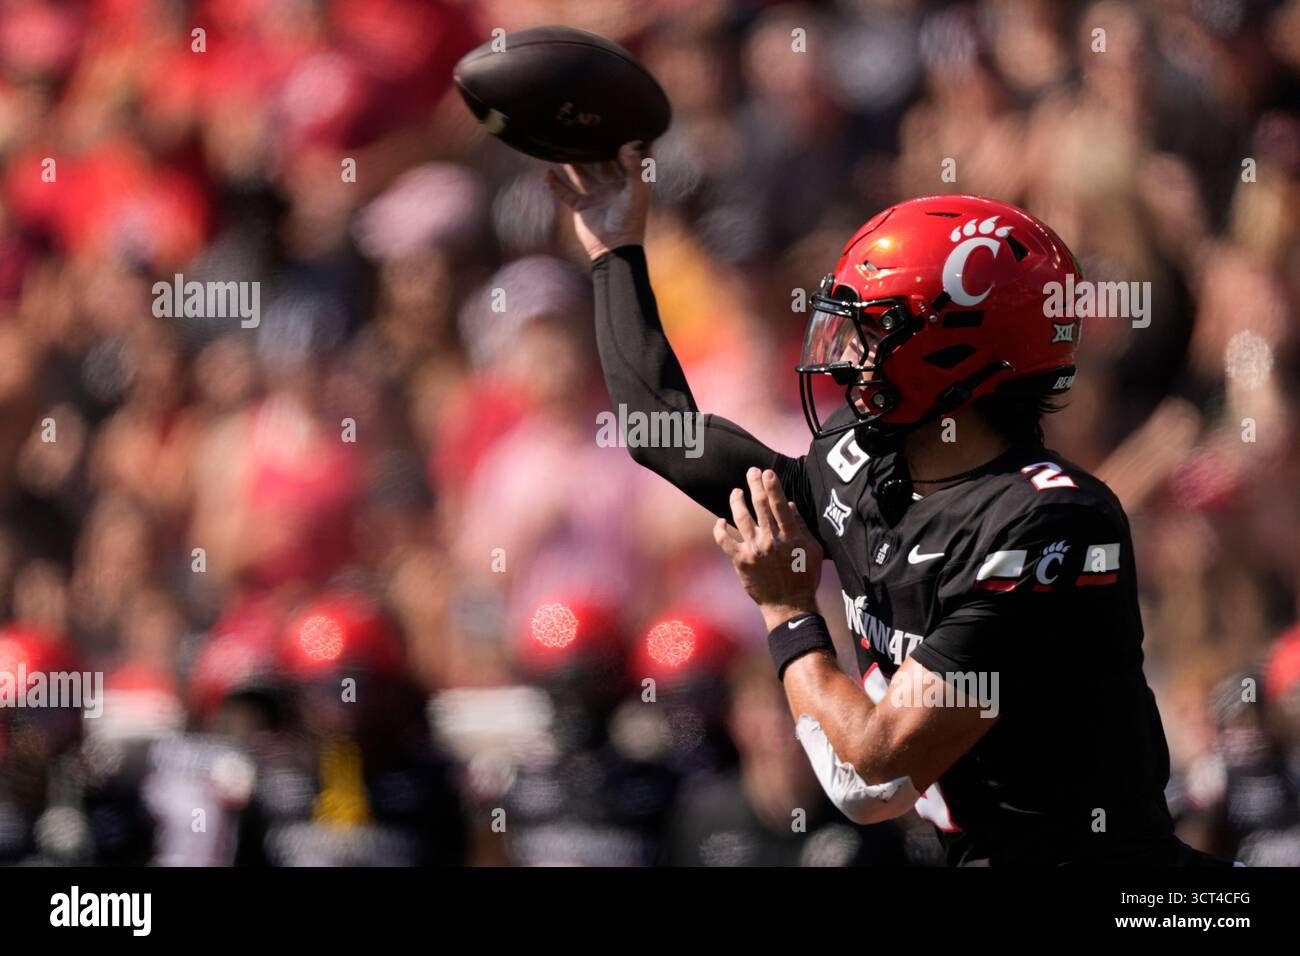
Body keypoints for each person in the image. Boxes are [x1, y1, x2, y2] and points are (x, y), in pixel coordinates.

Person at [546, 143, 1227, 866]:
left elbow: (876, 762)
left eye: (874, 331)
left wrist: (786, 609)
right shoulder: (860, 464)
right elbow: (664, 436)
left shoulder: (1047, 525)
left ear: (953, 353)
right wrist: (615, 249)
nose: (847, 354)